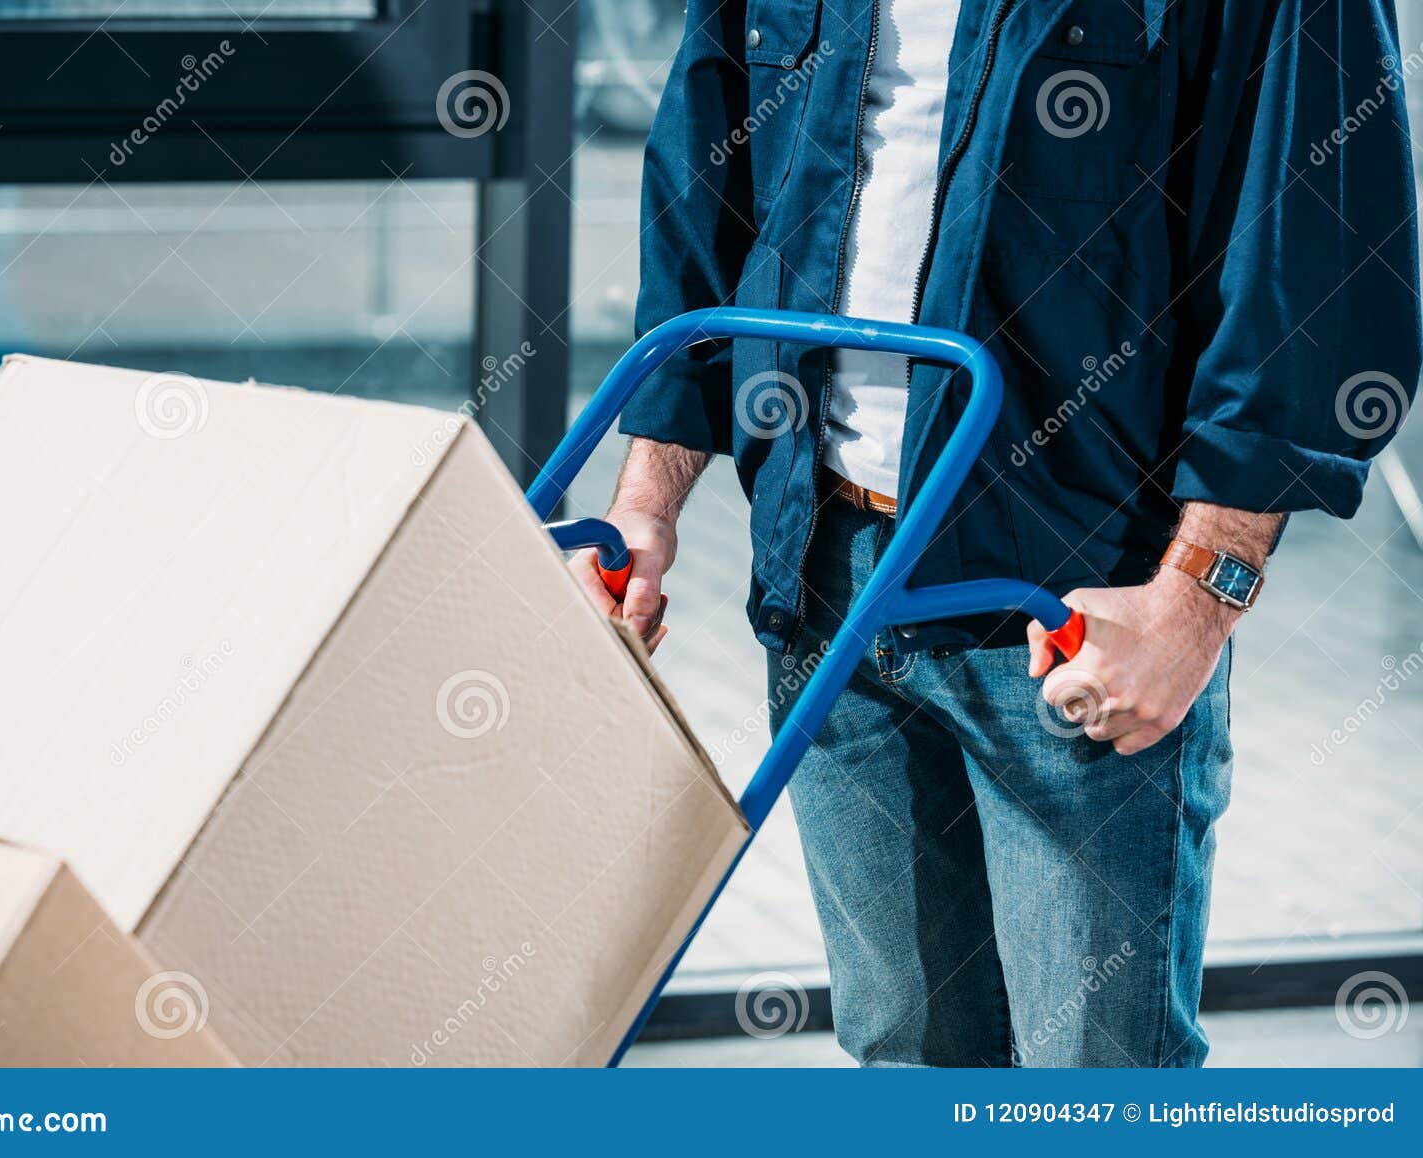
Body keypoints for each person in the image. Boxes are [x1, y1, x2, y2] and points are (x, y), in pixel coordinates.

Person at [569, 0, 1423, 1067]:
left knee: (1094, 1083)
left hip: (1074, 591)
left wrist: (1199, 600)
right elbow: (707, 186)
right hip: (823, 570)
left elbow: (1321, 247)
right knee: (905, 1060)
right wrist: (646, 498)